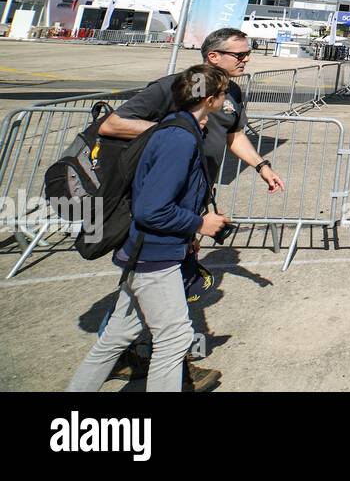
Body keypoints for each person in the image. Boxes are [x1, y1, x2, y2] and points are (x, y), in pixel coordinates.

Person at [98, 27, 284, 385]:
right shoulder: (179, 86)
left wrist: (262, 167)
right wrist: (174, 131)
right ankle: (172, 367)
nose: (247, 60)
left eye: (248, 53)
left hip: (193, 201)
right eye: (239, 55)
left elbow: (234, 135)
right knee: (163, 280)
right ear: (213, 56)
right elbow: (113, 123)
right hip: (163, 201)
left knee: (150, 285)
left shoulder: (230, 92)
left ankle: (122, 352)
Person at [68, 65, 233, 392]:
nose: (227, 101)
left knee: (115, 338)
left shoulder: (177, 128)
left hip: (147, 251)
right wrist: (202, 223)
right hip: (154, 256)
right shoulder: (178, 139)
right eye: (223, 95)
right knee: (175, 338)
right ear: (211, 99)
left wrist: (189, 236)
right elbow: (152, 209)